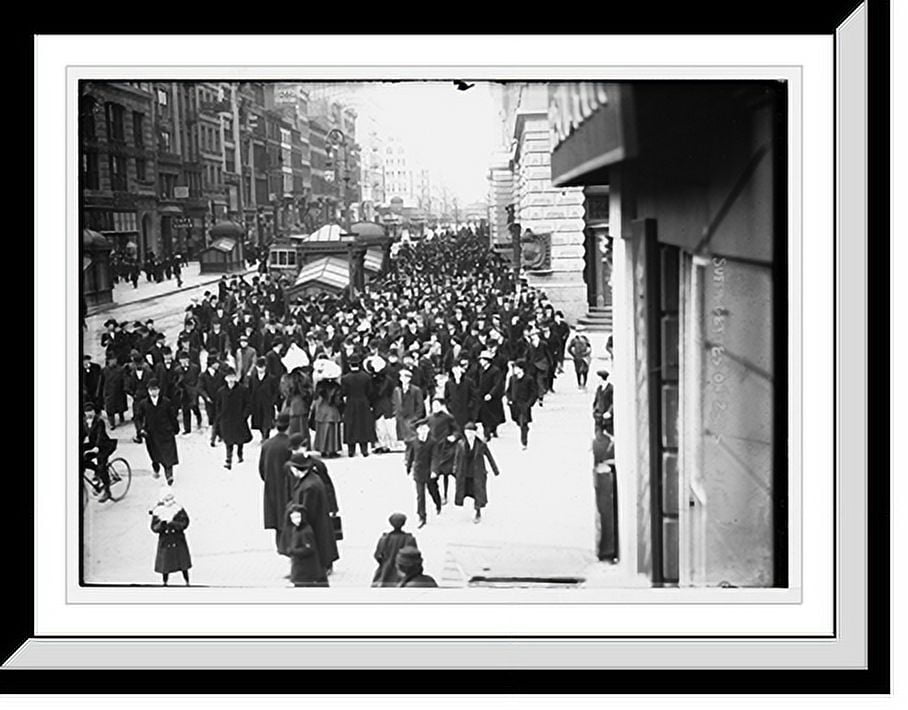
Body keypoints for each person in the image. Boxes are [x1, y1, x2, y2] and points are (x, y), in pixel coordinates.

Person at [283, 451, 338, 582]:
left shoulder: (309, 487)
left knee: (311, 551)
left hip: (313, 526)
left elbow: (306, 510)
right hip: (318, 523)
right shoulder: (310, 480)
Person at [453, 422, 501, 524]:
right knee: (465, 490)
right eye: (467, 432)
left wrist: (495, 470)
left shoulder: (481, 444)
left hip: (477, 472)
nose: (469, 435)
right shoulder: (460, 444)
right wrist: (455, 469)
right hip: (464, 472)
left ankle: (478, 511)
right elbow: (457, 457)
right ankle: (466, 503)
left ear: (475, 433)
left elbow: (489, 456)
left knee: (478, 492)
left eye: (471, 432)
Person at [135, 379, 180, 485]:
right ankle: (156, 466)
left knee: (168, 455)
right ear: (148, 391)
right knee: (154, 455)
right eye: (151, 390)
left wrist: (175, 428)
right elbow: (138, 418)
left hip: (166, 432)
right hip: (151, 433)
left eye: (155, 389)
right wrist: (140, 429)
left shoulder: (166, 402)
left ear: (159, 390)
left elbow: (172, 416)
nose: (153, 392)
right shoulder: (144, 404)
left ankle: (169, 475)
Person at [260, 412, 292, 551]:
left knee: (277, 521)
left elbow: (262, 470)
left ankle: (281, 546)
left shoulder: (267, 445)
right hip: (287, 489)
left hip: (271, 487)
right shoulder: (290, 444)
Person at [150, 485, 191, 586]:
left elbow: (185, 522)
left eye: (170, 498)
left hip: (177, 539)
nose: (169, 500)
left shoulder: (178, 509)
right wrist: (162, 525)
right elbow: (154, 527)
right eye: (166, 498)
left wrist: (174, 524)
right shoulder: (158, 511)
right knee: (166, 565)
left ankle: (186, 581)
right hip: (166, 540)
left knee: (182, 563)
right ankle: (165, 581)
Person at [406, 418, 441, 528]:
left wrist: (434, 470)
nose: (423, 431)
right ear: (417, 431)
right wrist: (408, 466)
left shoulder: (433, 442)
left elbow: (435, 457)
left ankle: (438, 503)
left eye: (425, 428)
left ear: (428, 429)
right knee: (420, 495)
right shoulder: (413, 441)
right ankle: (422, 516)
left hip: (430, 471)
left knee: (433, 490)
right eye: (420, 429)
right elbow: (410, 455)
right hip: (418, 471)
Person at [215, 367, 252, 470]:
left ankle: (240, 455)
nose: (231, 380)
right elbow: (218, 405)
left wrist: (245, 415)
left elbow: (248, 403)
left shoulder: (243, 390)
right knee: (228, 441)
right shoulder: (221, 391)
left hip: (239, 419)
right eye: (229, 378)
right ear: (225, 378)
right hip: (226, 420)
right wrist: (220, 416)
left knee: (240, 439)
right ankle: (228, 459)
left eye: (233, 377)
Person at [283, 504, 327, 587]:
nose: (295, 520)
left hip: (305, 571)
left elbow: (309, 549)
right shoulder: (296, 529)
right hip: (300, 568)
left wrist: (293, 551)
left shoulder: (305, 532)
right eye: (293, 517)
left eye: (297, 517)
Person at [340, 354, 375, 458]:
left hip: (351, 402)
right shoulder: (366, 377)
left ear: (350, 365)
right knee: (363, 425)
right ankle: (364, 450)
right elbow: (370, 392)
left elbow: (343, 392)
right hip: (363, 402)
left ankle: (351, 450)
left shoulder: (345, 378)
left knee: (351, 425)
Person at [426, 398, 459, 505]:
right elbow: (420, 425)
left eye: (437, 405)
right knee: (434, 473)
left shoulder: (448, 417)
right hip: (433, 449)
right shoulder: (429, 418)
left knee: (447, 472)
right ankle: (438, 496)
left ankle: (447, 494)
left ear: (441, 406)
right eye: (433, 405)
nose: (435, 407)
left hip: (446, 448)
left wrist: (453, 436)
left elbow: (457, 430)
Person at [372, 513, 418, 587]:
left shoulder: (384, 539)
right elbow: (414, 556)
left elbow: (377, 556)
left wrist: (384, 563)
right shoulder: (409, 539)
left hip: (385, 575)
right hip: (404, 576)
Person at [82, 402, 117, 502]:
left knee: (102, 465)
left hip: (104, 445)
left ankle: (107, 490)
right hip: (93, 444)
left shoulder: (99, 421)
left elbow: (100, 435)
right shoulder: (84, 422)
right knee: (82, 460)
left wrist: (97, 447)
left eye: (91, 411)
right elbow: (82, 435)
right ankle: (96, 471)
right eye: (87, 412)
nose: (89, 413)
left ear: (94, 412)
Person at [506, 360, 538, 450]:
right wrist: (509, 399)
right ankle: (523, 427)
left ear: (521, 369)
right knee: (516, 420)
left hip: (524, 405)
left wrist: (529, 404)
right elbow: (508, 391)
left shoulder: (529, 379)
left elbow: (534, 393)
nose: (514, 370)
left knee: (523, 422)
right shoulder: (512, 378)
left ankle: (524, 442)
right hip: (514, 405)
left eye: (516, 368)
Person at [393, 367, 426, 452]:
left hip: (412, 416)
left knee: (412, 436)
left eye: (405, 377)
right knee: (404, 436)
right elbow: (395, 402)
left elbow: (420, 404)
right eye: (401, 377)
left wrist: (416, 416)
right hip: (401, 417)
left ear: (409, 378)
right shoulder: (397, 390)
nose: (403, 379)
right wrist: (396, 413)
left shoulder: (416, 390)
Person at [474, 351, 505, 441]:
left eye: (482, 360)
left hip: (493, 398)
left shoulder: (495, 371)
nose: (480, 361)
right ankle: (486, 434)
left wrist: (491, 394)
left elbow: (497, 384)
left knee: (494, 415)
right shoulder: (480, 370)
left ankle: (493, 429)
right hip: (482, 396)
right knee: (484, 417)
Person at [311, 373, 343, 458]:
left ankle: (323, 450)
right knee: (333, 432)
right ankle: (332, 450)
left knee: (322, 431)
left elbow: (315, 396)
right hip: (332, 410)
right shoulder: (336, 386)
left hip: (322, 409)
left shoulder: (320, 385)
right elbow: (337, 401)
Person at [248, 357, 279, 442]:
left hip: (267, 403)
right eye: (259, 367)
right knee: (259, 421)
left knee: (267, 421)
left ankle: (266, 437)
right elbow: (250, 390)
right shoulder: (252, 378)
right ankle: (263, 435)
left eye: (262, 367)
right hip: (257, 403)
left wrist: (273, 401)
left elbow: (275, 391)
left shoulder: (271, 378)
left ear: (265, 367)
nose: (260, 369)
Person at [125, 353, 153, 443]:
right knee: (137, 416)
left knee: (147, 415)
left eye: (139, 363)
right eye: (136, 364)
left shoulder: (149, 373)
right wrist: (133, 394)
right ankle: (139, 433)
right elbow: (127, 387)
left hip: (147, 397)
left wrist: (150, 393)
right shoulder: (131, 374)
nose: (138, 365)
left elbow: (153, 383)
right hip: (137, 399)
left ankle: (147, 432)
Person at [198, 353, 224, 447]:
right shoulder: (203, 376)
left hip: (220, 400)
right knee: (213, 419)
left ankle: (213, 439)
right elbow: (200, 388)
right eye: (216, 363)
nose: (218, 365)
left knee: (218, 419)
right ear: (211, 364)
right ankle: (220, 434)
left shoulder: (221, 374)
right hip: (209, 402)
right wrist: (206, 397)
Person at [174, 351, 202, 434]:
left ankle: (199, 418)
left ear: (188, 360)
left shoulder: (195, 368)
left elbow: (198, 379)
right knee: (185, 410)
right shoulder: (177, 370)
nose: (184, 362)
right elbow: (175, 381)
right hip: (183, 392)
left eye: (185, 360)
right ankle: (187, 429)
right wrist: (179, 387)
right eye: (182, 360)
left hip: (193, 391)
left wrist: (196, 389)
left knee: (194, 407)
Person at [443, 358, 477, 429]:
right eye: (454, 368)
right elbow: (446, 397)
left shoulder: (468, 382)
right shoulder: (449, 383)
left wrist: (470, 406)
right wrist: (449, 406)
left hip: (466, 410)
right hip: (454, 410)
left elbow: (473, 396)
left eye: (458, 368)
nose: (456, 371)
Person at [99, 352, 128, 430]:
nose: (114, 361)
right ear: (108, 361)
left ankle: (121, 416)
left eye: (115, 359)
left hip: (119, 391)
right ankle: (112, 423)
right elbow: (101, 382)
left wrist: (125, 388)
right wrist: (99, 393)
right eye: (112, 360)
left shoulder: (120, 369)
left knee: (120, 406)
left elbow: (124, 379)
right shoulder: (104, 370)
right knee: (110, 409)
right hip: (109, 392)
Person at [567, 324, 593, 389]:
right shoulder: (574, 340)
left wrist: (587, 353)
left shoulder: (585, 339)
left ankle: (584, 384)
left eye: (581, 331)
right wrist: (574, 355)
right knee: (578, 371)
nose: (580, 333)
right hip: (577, 358)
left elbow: (589, 347)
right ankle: (579, 383)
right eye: (578, 331)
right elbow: (569, 348)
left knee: (585, 371)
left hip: (585, 357)